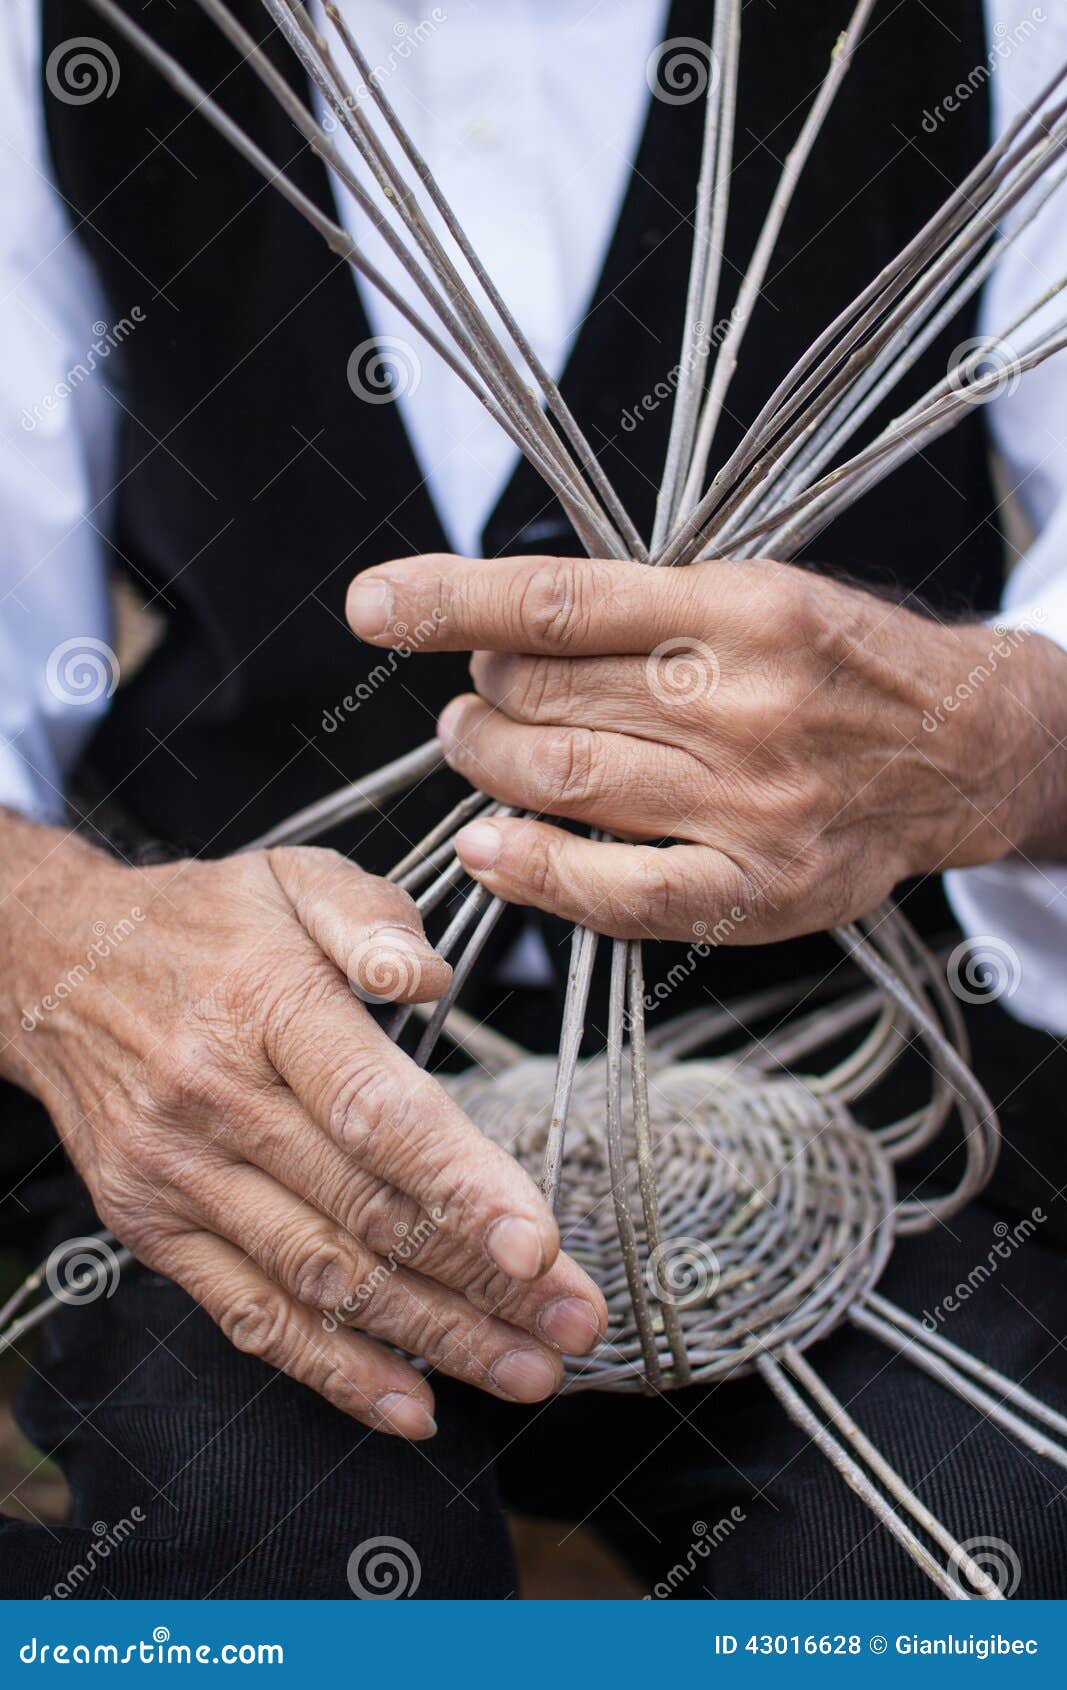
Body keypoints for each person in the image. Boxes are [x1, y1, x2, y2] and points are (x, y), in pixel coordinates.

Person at [1, 0, 1065, 1599]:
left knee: (964, 1552)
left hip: (882, 1065)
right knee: (247, 1546)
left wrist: (1001, 735)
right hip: (235, 1063)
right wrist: (58, 939)